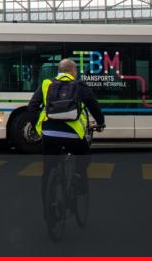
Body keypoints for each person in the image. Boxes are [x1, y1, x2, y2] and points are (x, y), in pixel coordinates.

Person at [25, 58, 105, 194]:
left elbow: (32, 107)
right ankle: (77, 178)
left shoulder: (46, 84)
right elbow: (94, 106)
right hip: (73, 134)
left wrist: (39, 128)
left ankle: (48, 209)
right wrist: (100, 122)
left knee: (48, 170)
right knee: (85, 156)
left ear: (59, 71)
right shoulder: (80, 85)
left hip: (49, 133)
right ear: (73, 71)